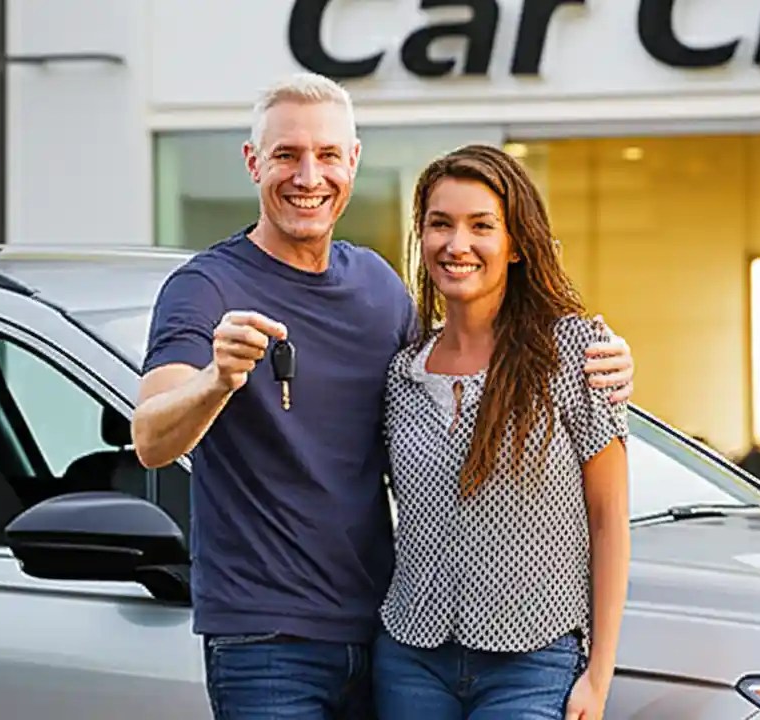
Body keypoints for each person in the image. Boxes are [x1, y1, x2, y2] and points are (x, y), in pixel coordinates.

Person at [131, 72, 635, 719]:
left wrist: (603, 364)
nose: (308, 176)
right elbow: (150, 439)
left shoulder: (376, 287)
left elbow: (467, 382)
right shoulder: (205, 290)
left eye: (327, 155)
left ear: (354, 162)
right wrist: (216, 380)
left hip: (384, 633)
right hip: (268, 642)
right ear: (254, 162)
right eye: (286, 155)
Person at [373, 144, 631, 720]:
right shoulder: (402, 372)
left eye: (481, 226)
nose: (456, 244)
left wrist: (599, 675)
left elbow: (610, 521)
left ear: (515, 244)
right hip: (412, 660)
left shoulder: (572, 352)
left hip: (533, 664)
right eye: (440, 224)